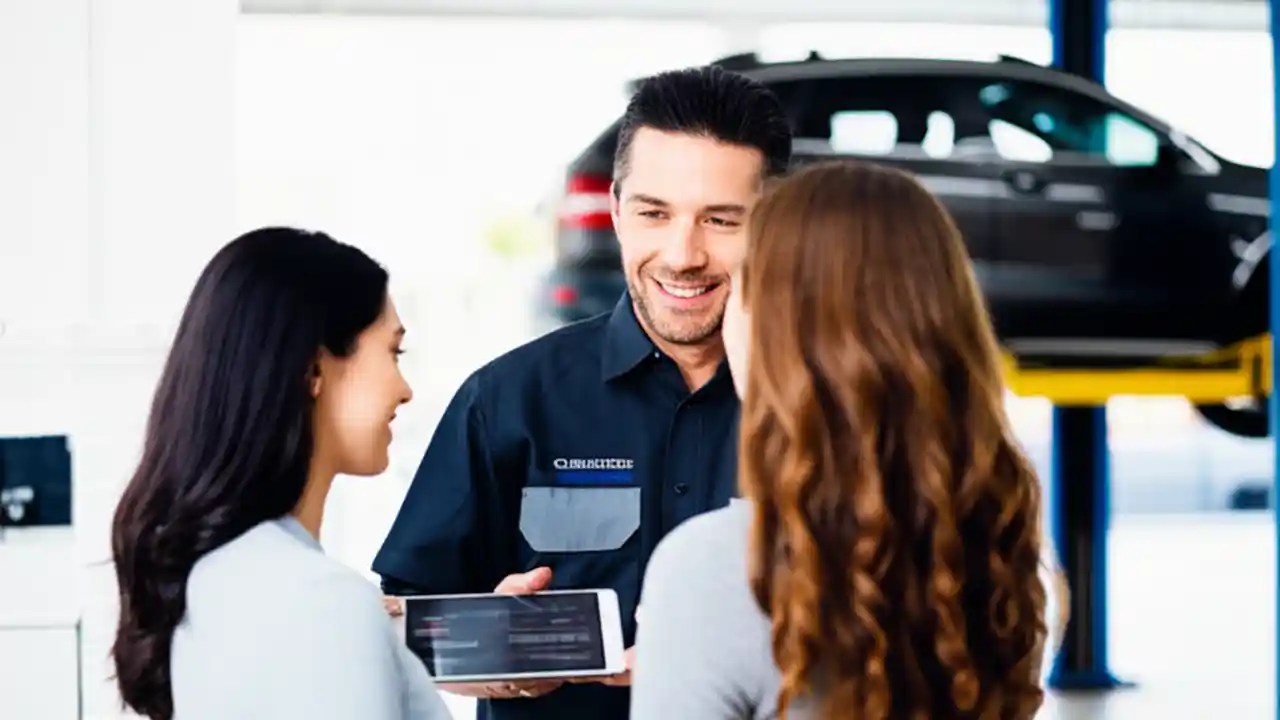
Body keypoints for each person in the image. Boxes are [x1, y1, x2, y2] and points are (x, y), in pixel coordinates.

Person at [371, 64, 792, 720]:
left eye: (721, 220)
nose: (683, 253)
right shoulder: (508, 399)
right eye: (655, 214)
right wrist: (495, 654)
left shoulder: (828, 413)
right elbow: (399, 628)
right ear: (619, 213)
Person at [630, 160, 1051, 720]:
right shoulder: (1001, 547)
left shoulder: (715, 567)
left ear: (778, 328)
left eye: (744, 286)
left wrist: (686, 632)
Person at [109, 228, 451, 720]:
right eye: (392, 353)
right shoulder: (322, 602)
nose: (405, 389)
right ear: (314, 369)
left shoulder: (220, 576)